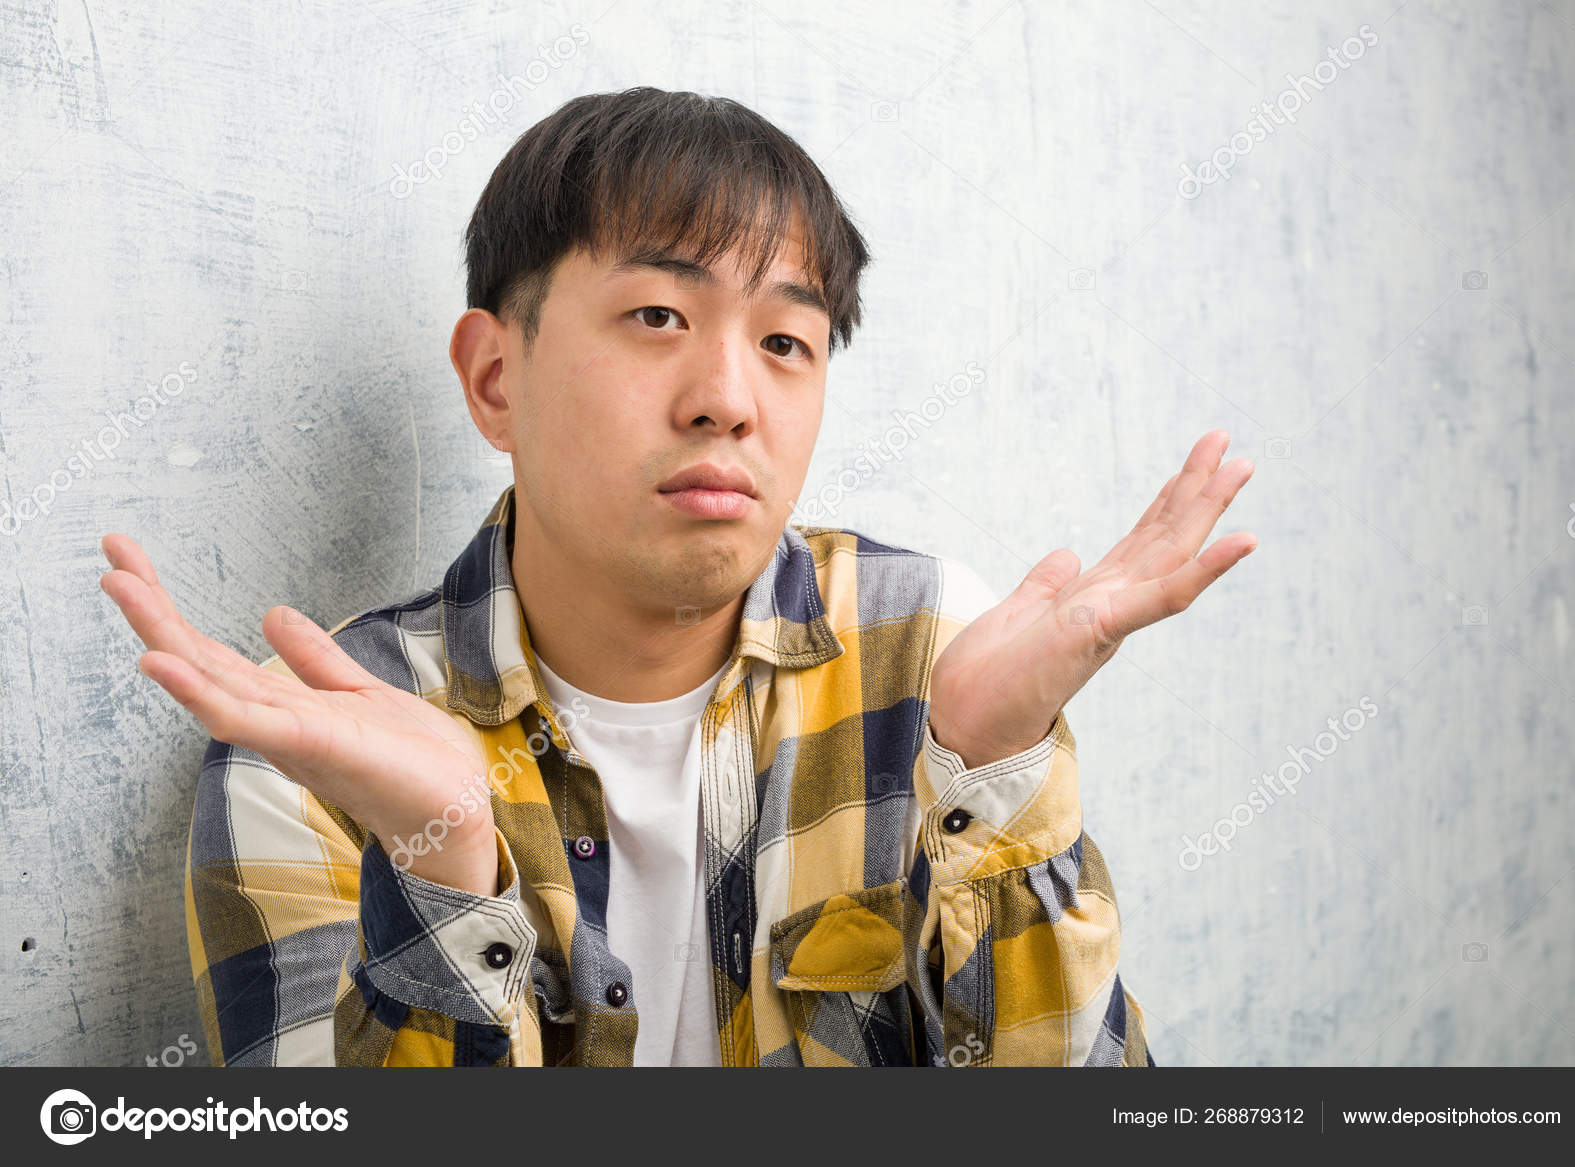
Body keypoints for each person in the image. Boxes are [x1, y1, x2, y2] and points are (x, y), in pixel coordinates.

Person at [99, 87, 1256, 1066]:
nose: (728, 397)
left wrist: (995, 778)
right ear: (497, 379)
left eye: (785, 342)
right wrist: (443, 868)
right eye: (657, 314)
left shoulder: (940, 655)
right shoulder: (317, 739)